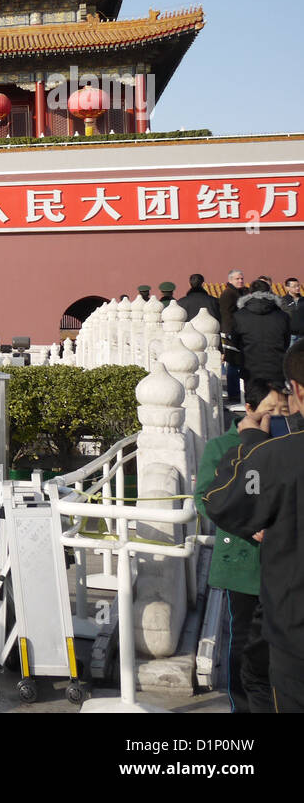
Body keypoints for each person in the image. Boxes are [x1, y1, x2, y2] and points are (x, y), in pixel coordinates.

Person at [204, 342, 304, 711]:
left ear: (296, 391)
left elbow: (220, 501)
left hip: (293, 624)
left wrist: (249, 444)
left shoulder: (274, 455)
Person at [196, 378, 281, 713]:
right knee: (242, 644)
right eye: (268, 411)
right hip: (241, 562)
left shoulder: (283, 443)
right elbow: (204, 499)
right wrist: (250, 527)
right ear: (248, 409)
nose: (273, 419)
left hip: (281, 561)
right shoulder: (221, 447)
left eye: (279, 411)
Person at [232, 278, 291, 391]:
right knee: (276, 402)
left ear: (250, 294)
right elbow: (286, 341)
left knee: (254, 401)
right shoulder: (283, 316)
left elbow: (236, 341)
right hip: (276, 366)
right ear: (270, 292)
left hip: (250, 365)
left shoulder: (239, 316)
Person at [220, 269, 250, 405]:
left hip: (241, 331)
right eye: (237, 279)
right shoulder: (228, 294)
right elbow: (227, 315)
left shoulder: (243, 292)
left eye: (242, 279)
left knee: (240, 362)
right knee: (232, 363)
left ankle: (241, 392)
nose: (240, 281)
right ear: (230, 280)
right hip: (232, 332)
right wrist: (230, 332)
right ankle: (234, 393)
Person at [283, 277, 303, 345]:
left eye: (298, 286)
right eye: (294, 286)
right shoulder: (283, 301)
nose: (297, 288)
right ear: (287, 288)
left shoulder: (303, 300)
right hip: (290, 336)